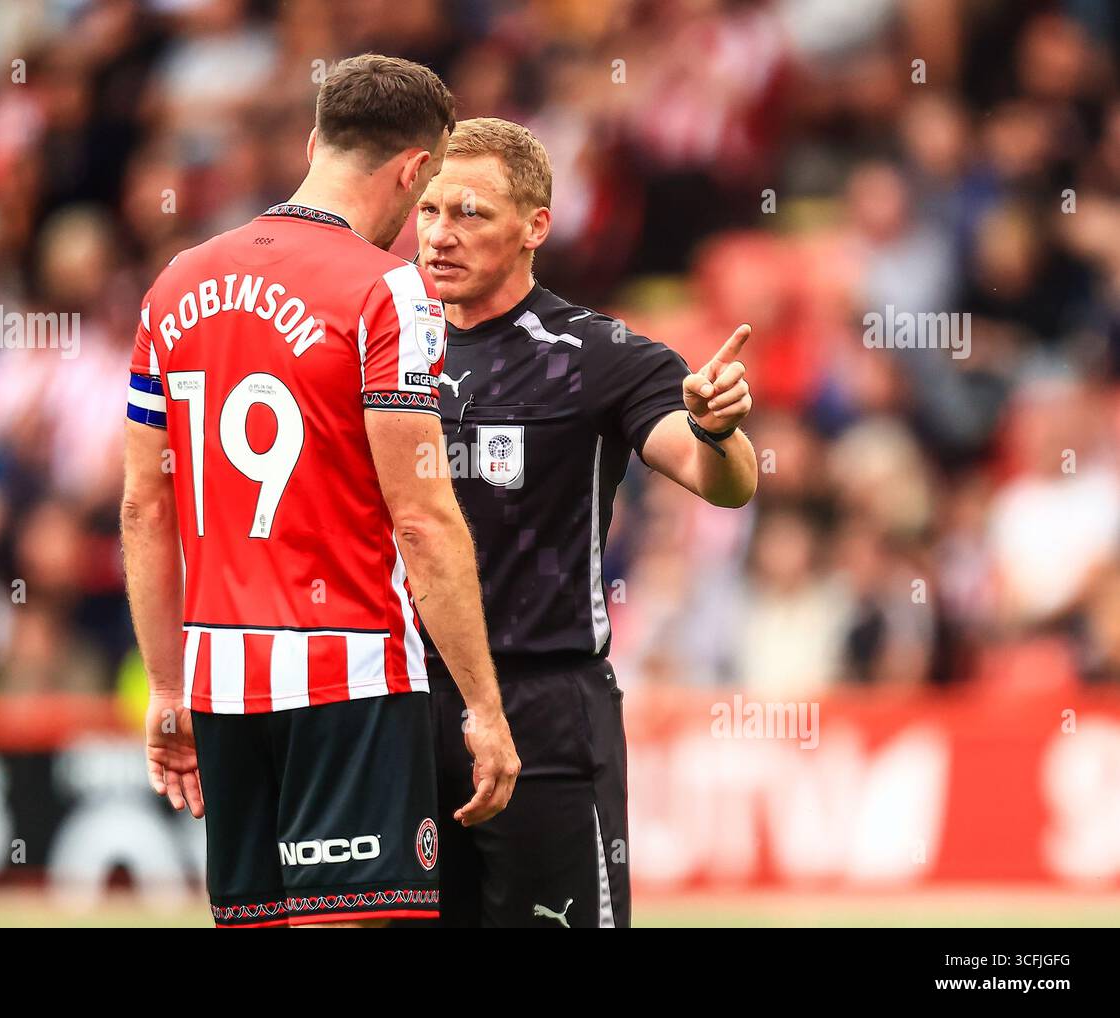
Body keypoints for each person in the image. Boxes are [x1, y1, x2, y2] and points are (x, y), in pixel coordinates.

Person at [120, 58, 518, 929]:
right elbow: (420, 515)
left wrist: (165, 686)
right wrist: (484, 707)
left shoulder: (176, 283)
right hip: (351, 678)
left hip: (220, 683)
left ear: (313, 143)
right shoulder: (388, 291)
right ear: (416, 170)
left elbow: (143, 509)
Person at [414, 117, 758, 927]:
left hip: (546, 712)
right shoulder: (386, 346)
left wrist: (718, 429)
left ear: (537, 226)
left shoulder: (594, 354)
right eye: (428, 211)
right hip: (403, 704)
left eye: (469, 213)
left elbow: (724, 482)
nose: (439, 235)